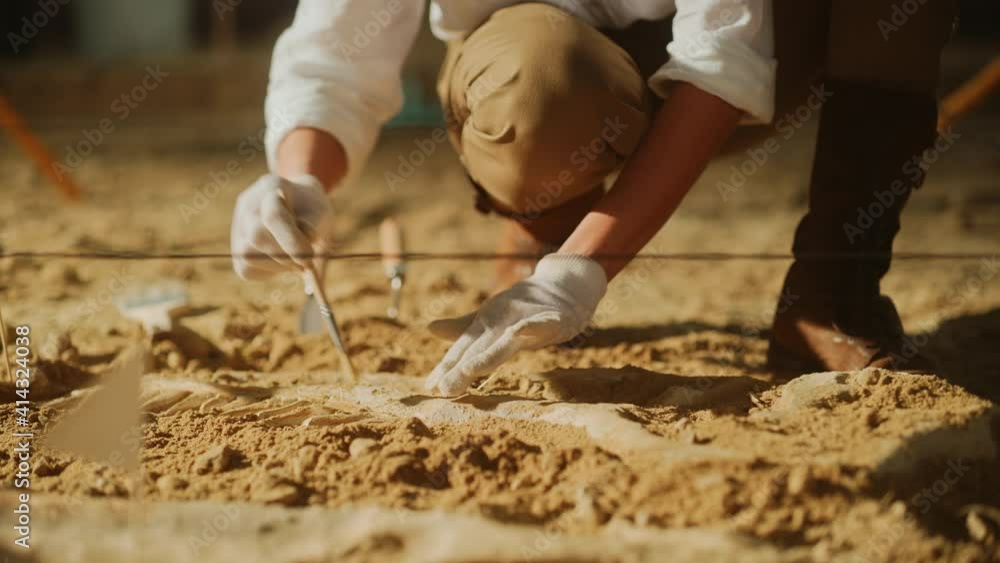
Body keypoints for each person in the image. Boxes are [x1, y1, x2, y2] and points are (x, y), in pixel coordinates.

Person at [230, 1, 957, 395]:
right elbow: (338, 47)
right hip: (534, 58)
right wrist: (299, 178)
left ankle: (833, 288)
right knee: (538, 82)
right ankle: (544, 215)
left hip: (755, 54)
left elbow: (723, 61)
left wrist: (583, 273)